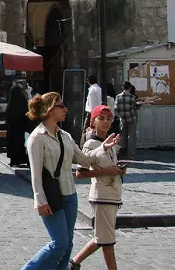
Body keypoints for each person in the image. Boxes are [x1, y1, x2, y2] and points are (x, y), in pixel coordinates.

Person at [22, 92, 120, 270]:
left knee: (68, 245)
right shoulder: (37, 138)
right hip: (52, 197)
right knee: (59, 243)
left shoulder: (65, 136)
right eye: (61, 106)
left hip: (70, 196)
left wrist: (103, 148)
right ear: (51, 110)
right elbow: (35, 175)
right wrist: (40, 201)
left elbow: (84, 159)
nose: (65, 109)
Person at [70, 105, 127, 270]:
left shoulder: (108, 141)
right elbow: (81, 173)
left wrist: (118, 169)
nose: (105, 122)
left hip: (113, 194)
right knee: (107, 240)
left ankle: (74, 263)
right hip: (102, 196)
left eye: (109, 119)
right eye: (101, 118)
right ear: (93, 121)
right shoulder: (91, 143)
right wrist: (108, 171)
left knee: (101, 237)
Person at [6, 85, 31, 166]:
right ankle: (21, 159)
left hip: (12, 129)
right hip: (20, 129)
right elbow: (26, 114)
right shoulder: (23, 101)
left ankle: (13, 161)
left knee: (13, 144)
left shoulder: (11, 103)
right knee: (20, 144)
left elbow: (7, 115)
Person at [115, 81, 138, 159]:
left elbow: (115, 109)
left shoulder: (118, 97)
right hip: (131, 118)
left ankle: (122, 152)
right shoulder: (132, 97)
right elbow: (135, 108)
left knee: (122, 136)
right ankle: (131, 154)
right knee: (131, 136)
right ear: (130, 87)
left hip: (122, 119)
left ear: (123, 87)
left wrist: (120, 117)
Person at [81, 75, 102, 147]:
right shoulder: (98, 88)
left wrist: (92, 114)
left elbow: (92, 103)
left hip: (91, 112)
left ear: (89, 81)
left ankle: (84, 144)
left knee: (86, 129)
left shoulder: (92, 90)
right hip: (98, 111)